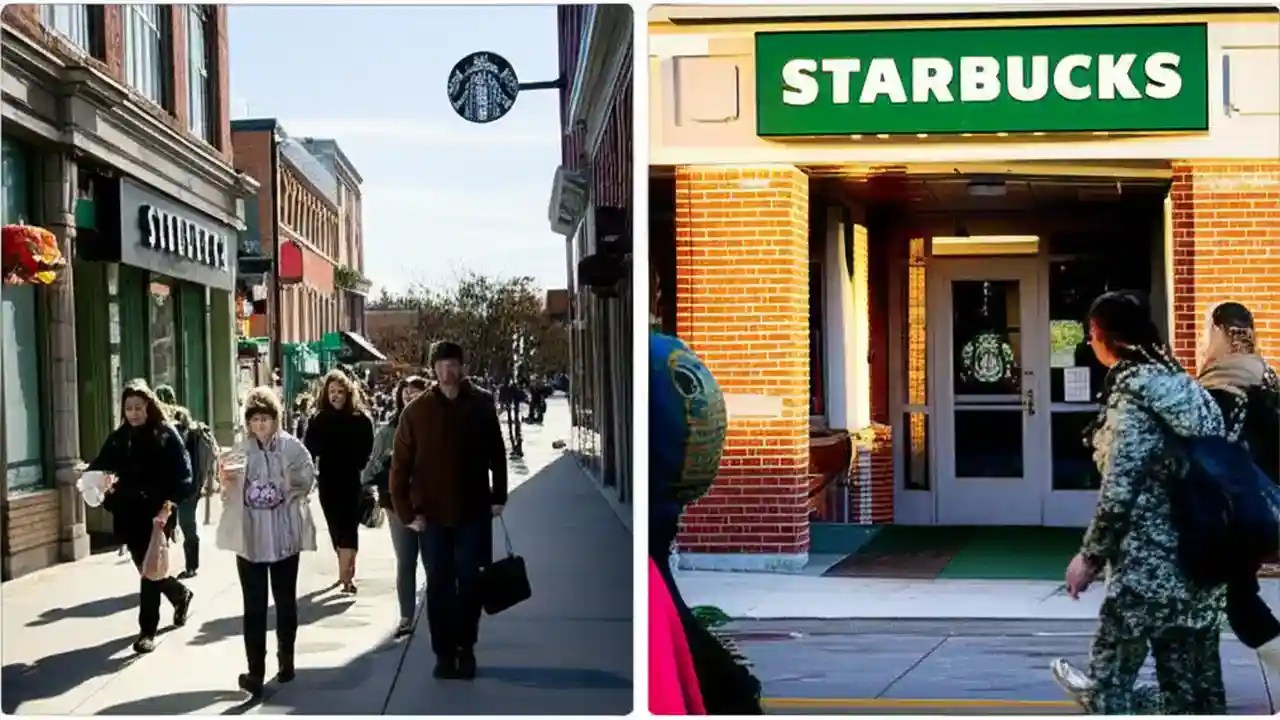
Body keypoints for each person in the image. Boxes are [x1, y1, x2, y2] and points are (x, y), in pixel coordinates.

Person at [1051, 290, 1228, 714]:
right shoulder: (1189, 390)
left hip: (1145, 576)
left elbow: (1120, 487)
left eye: (1090, 337)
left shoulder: (1133, 396)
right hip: (1202, 569)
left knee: (1109, 689)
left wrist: (1090, 558)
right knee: (1193, 698)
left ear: (1099, 335)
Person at [389, 341, 507, 680]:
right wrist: (407, 513)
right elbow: (400, 467)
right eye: (440, 365)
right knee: (439, 585)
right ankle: (443, 653)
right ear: (433, 369)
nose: (447, 371)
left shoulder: (482, 404)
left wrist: (499, 495)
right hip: (432, 516)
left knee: (470, 582)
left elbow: (496, 454)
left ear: (461, 366)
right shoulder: (417, 412)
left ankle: (466, 648)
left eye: (452, 364)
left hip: (473, 511)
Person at [217, 386, 317, 698]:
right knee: (254, 606)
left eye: (265, 418)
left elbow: (309, 478)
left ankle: (286, 659)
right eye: (254, 419)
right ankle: (255, 671)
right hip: (250, 538)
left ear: (275, 419)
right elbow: (227, 491)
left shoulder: (291, 448)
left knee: (285, 601)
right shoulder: (241, 450)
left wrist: (288, 485)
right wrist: (226, 481)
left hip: (283, 535)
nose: (259, 425)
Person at [84, 380, 195, 654]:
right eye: (128, 408)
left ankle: (147, 630)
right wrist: (98, 480)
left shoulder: (165, 435)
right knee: (148, 568)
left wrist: (168, 506)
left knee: (148, 572)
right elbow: (100, 466)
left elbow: (184, 476)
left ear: (149, 407)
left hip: (158, 512)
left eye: (138, 407)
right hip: (128, 513)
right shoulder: (119, 438)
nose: (133, 413)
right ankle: (180, 594)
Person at [362, 375, 430, 637]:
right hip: (396, 503)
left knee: (435, 562)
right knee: (406, 560)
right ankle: (406, 616)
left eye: (416, 392)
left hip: (431, 503)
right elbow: (369, 470)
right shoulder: (388, 430)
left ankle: (437, 615)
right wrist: (388, 466)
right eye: (406, 393)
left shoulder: (435, 426)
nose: (410, 397)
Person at [304, 369, 375, 594]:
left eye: (340, 391)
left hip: (352, 480)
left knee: (349, 528)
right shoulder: (318, 419)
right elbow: (309, 449)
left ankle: (347, 577)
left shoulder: (359, 419)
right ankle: (344, 568)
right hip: (328, 481)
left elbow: (367, 448)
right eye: (332, 391)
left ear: (348, 393)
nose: (335, 395)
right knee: (336, 527)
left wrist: (361, 466)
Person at [154, 384, 205, 579]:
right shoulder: (186, 420)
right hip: (188, 486)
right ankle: (191, 566)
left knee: (164, 527)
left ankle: (160, 569)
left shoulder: (164, 424)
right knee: (187, 526)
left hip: (169, 487)